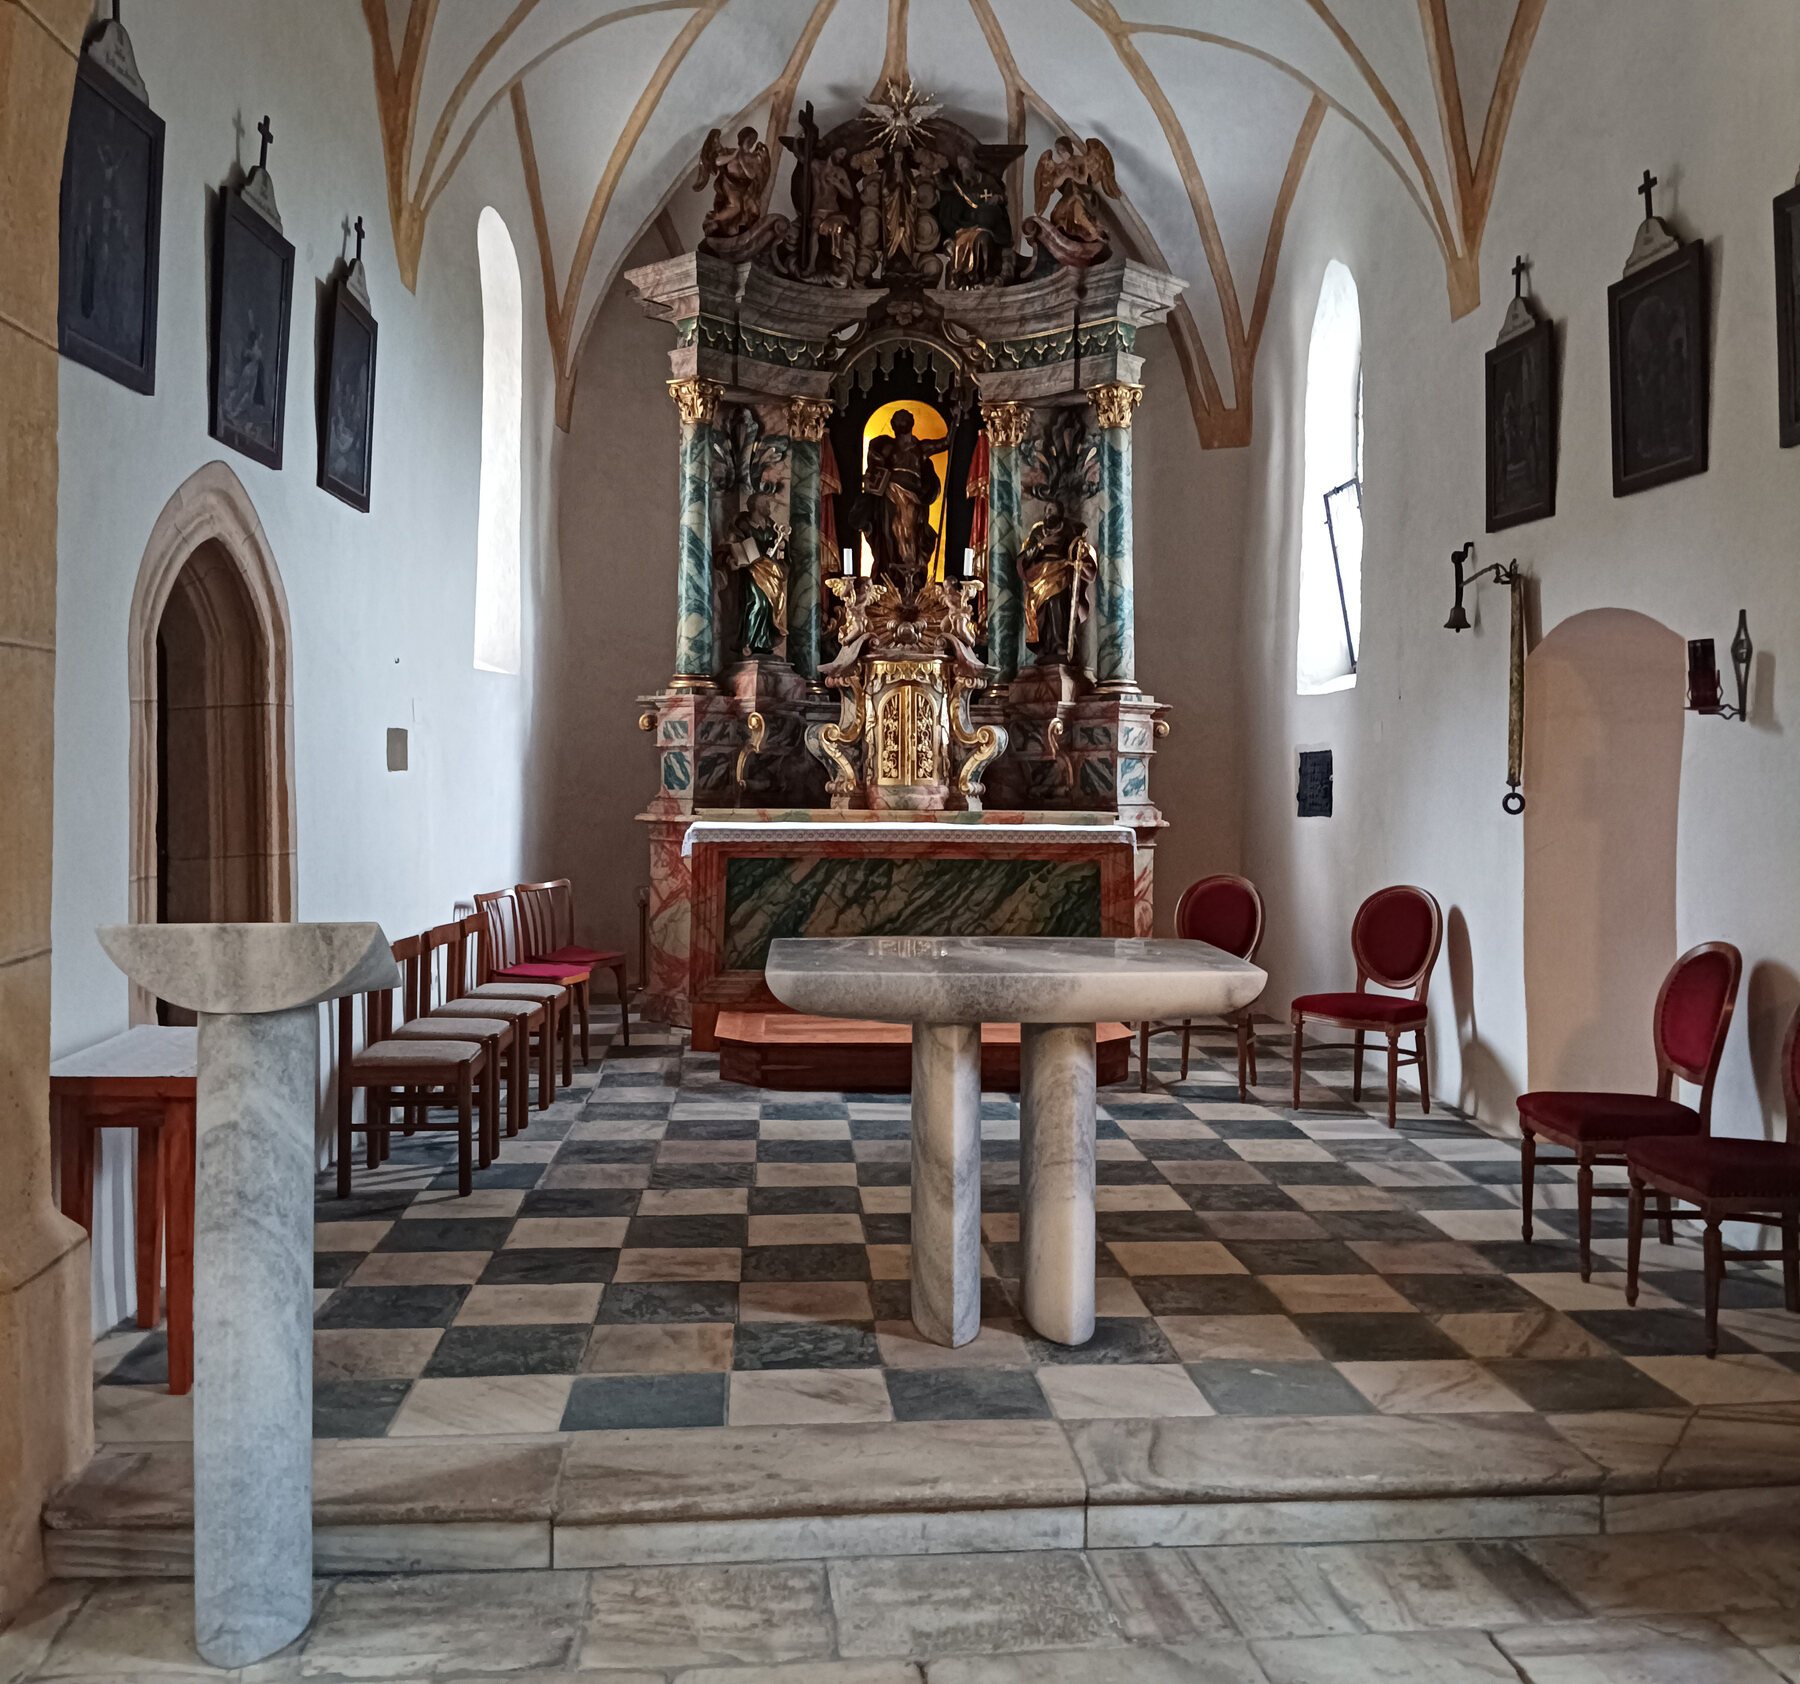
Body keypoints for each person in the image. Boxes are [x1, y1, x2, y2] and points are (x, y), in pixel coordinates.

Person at [858, 409, 949, 589]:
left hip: (914, 500)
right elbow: (874, 470)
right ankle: (891, 576)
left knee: (912, 536)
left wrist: (955, 419)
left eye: (904, 420)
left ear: (911, 423)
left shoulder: (921, 449)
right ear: (893, 426)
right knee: (891, 533)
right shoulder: (886, 447)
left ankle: (912, 577)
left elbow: (946, 442)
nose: (901, 422)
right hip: (891, 495)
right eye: (898, 420)